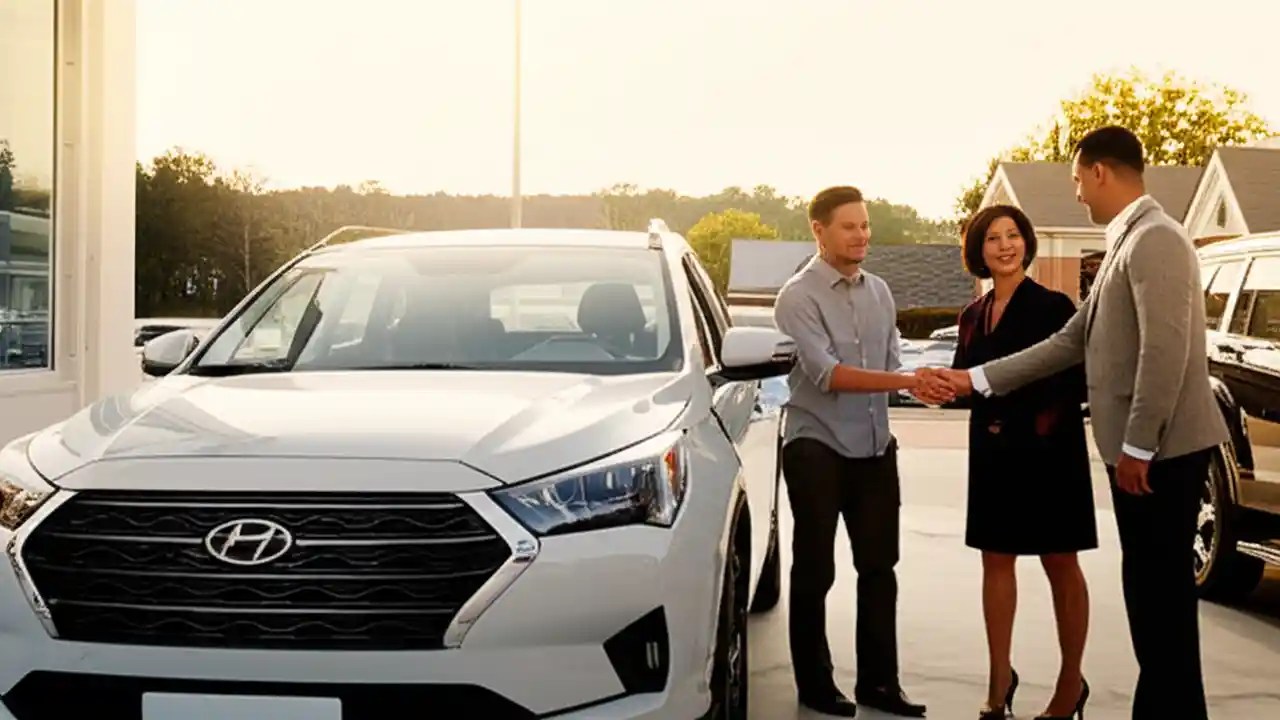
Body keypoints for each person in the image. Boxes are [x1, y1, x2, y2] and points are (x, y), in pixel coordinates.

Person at [932, 126, 1230, 720]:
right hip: (1145, 454)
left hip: (1162, 455)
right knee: (1151, 603)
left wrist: (1139, 446)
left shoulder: (1157, 241)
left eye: (1076, 181)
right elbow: (1073, 341)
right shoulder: (1130, 241)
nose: (1076, 197)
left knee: (1161, 604)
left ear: (1099, 172)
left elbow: (1165, 354)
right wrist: (976, 379)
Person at [772, 185, 945, 718]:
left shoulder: (881, 292)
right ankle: (816, 685)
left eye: (865, 225)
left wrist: (919, 383)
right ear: (819, 231)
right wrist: (912, 379)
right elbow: (829, 375)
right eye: (850, 226)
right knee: (816, 570)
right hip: (816, 445)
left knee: (879, 569)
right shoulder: (796, 297)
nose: (862, 234)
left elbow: (891, 365)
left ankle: (879, 685)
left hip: (874, 447)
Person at [950, 205, 1096, 720]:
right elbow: (964, 384)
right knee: (995, 562)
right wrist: (933, 389)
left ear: (1027, 243)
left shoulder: (1055, 306)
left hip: (1049, 453)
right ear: (979, 250)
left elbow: (1072, 382)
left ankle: (1069, 684)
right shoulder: (972, 316)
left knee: (1061, 563)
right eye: (993, 238)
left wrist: (1023, 420)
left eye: (1014, 236)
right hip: (992, 456)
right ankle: (998, 681)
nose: (1005, 246)